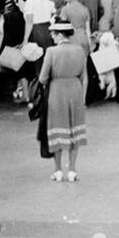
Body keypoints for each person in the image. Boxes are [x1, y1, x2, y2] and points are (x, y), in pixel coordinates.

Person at [39, 22, 88, 181]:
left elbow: (43, 78)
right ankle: (72, 170)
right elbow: (83, 76)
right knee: (74, 129)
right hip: (75, 90)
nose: (52, 36)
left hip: (57, 91)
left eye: (53, 33)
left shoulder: (51, 51)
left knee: (57, 129)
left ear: (60, 34)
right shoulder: (80, 50)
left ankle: (58, 170)